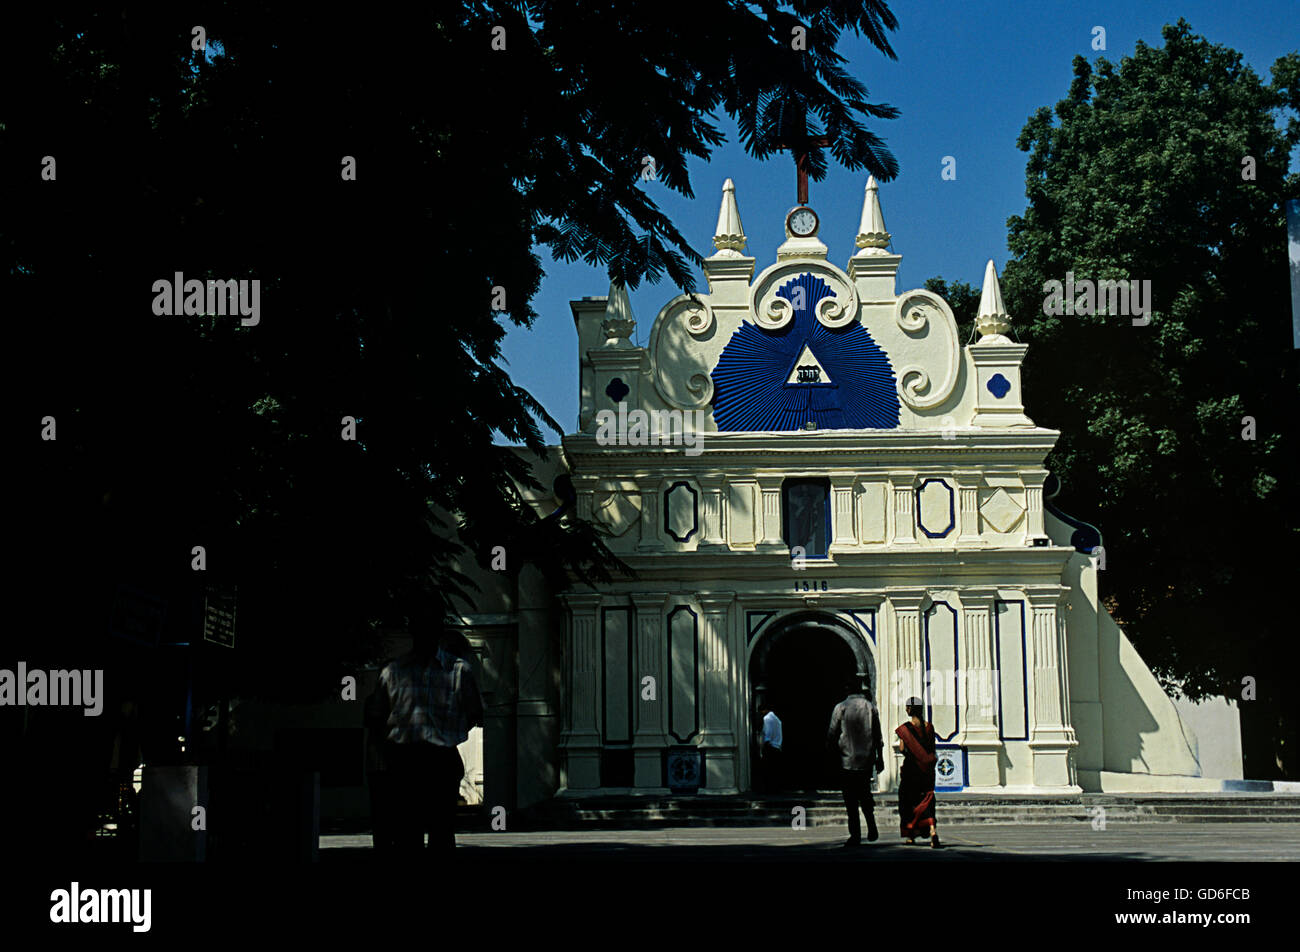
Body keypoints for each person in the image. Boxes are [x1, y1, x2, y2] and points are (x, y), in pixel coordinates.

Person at [368, 618, 484, 853]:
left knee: (441, 833)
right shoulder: (394, 671)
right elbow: (377, 716)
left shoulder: (458, 670)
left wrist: (448, 733)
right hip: (406, 759)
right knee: (407, 834)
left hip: (439, 758)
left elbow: (474, 712)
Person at [826, 681, 884, 846]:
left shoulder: (841, 707)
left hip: (847, 760)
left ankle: (855, 835)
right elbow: (878, 736)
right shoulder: (870, 707)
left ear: (847, 689)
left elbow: (832, 731)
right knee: (865, 796)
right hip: (866, 760)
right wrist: (880, 759)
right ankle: (871, 826)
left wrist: (829, 752)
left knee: (851, 800)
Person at [895, 697, 940, 848]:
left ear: (909, 709)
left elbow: (902, 749)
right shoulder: (929, 727)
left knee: (908, 801)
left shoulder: (905, 729)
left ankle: (911, 835)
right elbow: (932, 748)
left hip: (911, 770)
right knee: (927, 800)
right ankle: (932, 831)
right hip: (927, 772)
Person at [758, 705, 783, 792]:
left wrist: (764, 747)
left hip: (770, 747)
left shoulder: (767, 719)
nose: (760, 714)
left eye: (761, 712)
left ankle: (769, 789)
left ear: (765, 710)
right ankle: (776, 788)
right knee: (775, 770)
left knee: (768, 770)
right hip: (777, 747)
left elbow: (768, 734)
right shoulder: (777, 720)